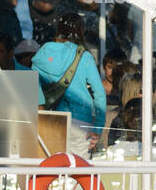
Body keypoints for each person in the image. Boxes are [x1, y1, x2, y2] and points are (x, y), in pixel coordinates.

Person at [31, 14, 106, 157]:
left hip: (52, 118)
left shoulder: (44, 52)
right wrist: (98, 128)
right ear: (81, 31)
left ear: (59, 29)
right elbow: (99, 94)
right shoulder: (84, 56)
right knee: (78, 170)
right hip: (80, 119)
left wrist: (41, 109)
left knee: (54, 166)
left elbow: (34, 84)